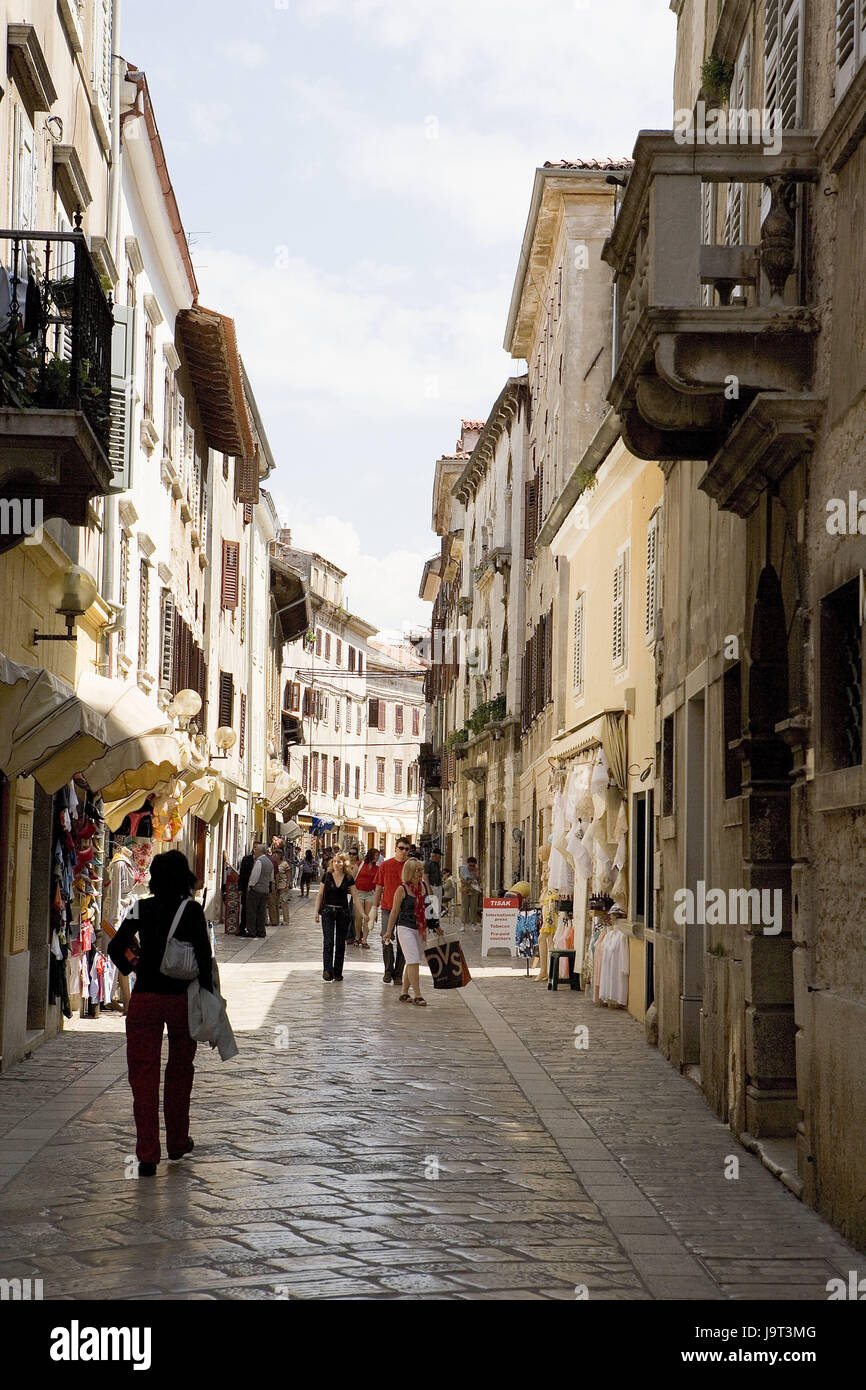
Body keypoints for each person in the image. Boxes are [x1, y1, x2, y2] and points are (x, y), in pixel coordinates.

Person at [108, 849, 212, 1177]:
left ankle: (147, 1154)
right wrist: (208, 1003)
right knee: (180, 1072)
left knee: (143, 1076)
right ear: (185, 878)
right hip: (181, 1000)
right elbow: (204, 961)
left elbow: (114, 948)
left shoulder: (142, 907)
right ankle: (178, 1142)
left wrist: (134, 965)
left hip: (146, 998)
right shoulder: (192, 911)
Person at [384, 858, 442, 1006]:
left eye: (421, 869)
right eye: (417, 870)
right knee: (413, 960)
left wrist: (436, 926)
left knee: (412, 962)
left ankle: (404, 992)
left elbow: (429, 907)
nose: (421, 873)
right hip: (405, 928)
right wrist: (388, 931)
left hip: (420, 929)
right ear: (410, 872)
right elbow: (394, 911)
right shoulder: (401, 889)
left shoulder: (423, 886)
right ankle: (418, 994)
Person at [314, 851, 360, 981]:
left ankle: (338, 972)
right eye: (334, 861)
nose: (336, 863)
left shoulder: (348, 878)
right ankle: (327, 970)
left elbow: (355, 897)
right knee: (328, 941)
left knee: (340, 943)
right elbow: (320, 894)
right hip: (328, 911)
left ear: (344, 863)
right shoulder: (327, 876)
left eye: (339, 861)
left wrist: (362, 914)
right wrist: (316, 912)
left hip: (343, 913)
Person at [371, 838, 412, 984]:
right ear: (395, 848)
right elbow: (378, 887)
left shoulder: (411, 867)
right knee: (386, 938)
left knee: (404, 942)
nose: (404, 851)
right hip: (388, 908)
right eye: (401, 848)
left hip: (406, 910)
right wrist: (374, 909)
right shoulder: (386, 865)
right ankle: (388, 970)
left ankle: (398, 974)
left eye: (407, 849)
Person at [246, 843, 274, 938]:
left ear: (259, 851)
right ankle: (261, 931)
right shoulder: (270, 862)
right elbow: (271, 878)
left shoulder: (259, 861)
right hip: (265, 890)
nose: (254, 851)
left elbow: (255, 876)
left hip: (256, 890)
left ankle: (252, 931)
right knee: (261, 911)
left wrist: (251, 885)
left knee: (252, 911)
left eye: (255, 849)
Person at [353, 847, 378, 948]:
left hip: (370, 894)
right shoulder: (359, 864)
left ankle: (364, 940)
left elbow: (378, 885)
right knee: (358, 917)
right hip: (358, 893)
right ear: (371, 855)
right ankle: (357, 936)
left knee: (368, 917)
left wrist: (378, 900)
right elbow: (352, 878)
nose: (378, 858)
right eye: (376, 856)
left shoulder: (377, 868)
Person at [236, 846, 255, 935]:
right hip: (246, 888)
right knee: (244, 909)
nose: (255, 849)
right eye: (254, 847)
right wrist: (240, 888)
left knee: (253, 910)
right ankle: (242, 928)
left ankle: (252, 928)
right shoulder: (246, 859)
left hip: (255, 889)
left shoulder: (262, 861)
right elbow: (242, 874)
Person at [459, 856, 482, 925]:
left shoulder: (477, 870)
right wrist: (468, 881)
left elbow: (480, 880)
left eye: (473, 865)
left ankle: (473, 922)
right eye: (470, 865)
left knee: (473, 907)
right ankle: (464, 922)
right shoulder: (463, 869)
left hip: (474, 891)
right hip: (465, 890)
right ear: (467, 864)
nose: (471, 867)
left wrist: (475, 876)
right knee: (465, 907)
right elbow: (462, 880)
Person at [424, 848, 443, 919]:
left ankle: (436, 925)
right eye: (439, 857)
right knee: (431, 906)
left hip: (438, 886)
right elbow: (425, 877)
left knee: (438, 906)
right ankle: (431, 926)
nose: (440, 859)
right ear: (434, 856)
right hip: (432, 886)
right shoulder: (428, 864)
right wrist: (429, 889)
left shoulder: (437, 863)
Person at [276, 856, 292, 926]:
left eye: (275, 854)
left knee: (284, 902)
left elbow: (289, 875)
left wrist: (287, 885)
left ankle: (286, 920)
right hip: (276, 885)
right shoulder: (274, 863)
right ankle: (276, 920)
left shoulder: (285, 864)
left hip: (283, 885)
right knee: (276, 903)